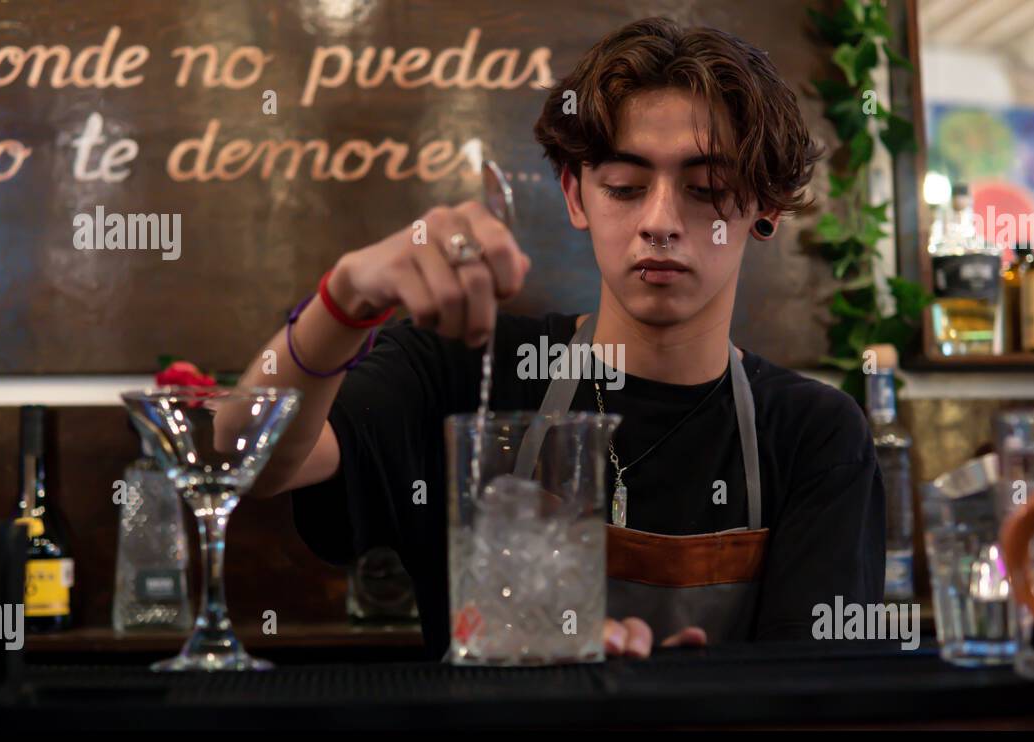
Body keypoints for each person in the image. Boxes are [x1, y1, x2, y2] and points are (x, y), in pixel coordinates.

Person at [238, 17, 884, 661]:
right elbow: (249, 457)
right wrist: (344, 298)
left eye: (705, 189)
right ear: (576, 195)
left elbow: (814, 703)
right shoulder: (463, 371)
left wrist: (676, 695)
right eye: (625, 188)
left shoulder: (815, 436)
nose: (659, 221)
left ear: (766, 206)